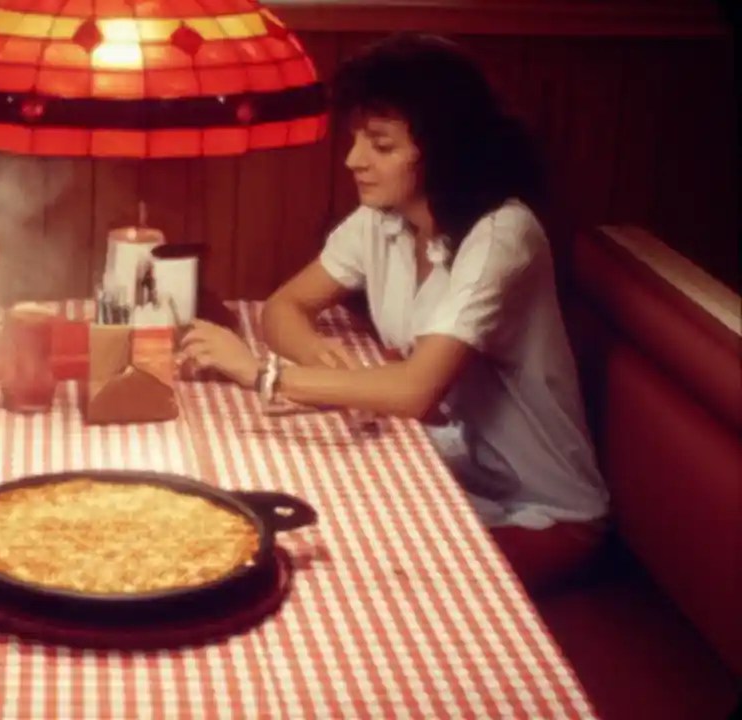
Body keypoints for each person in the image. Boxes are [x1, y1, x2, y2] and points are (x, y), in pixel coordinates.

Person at [180, 33, 608, 593]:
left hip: (540, 512)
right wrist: (325, 366)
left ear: (443, 149)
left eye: (380, 145)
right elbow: (285, 307)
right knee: (291, 517)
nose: (354, 159)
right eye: (357, 138)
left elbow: (413, 393)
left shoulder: (502, 234)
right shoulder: (384, 218)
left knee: (349, 580)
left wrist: (260, 374)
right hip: (448, 470)